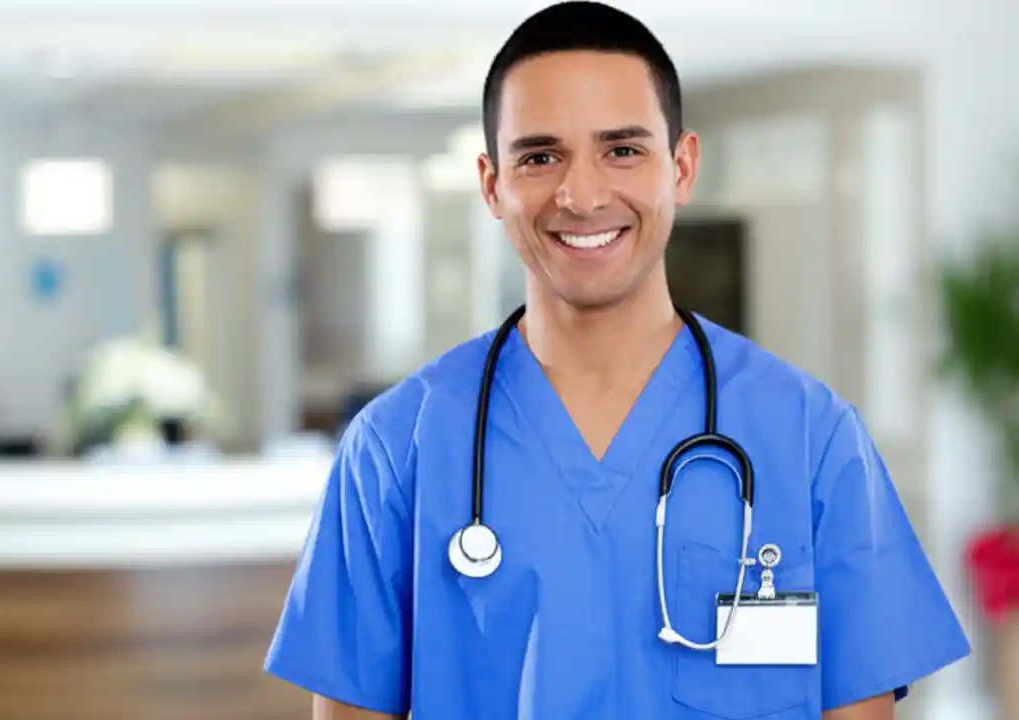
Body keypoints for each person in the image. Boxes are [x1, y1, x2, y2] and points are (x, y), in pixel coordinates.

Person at [263, 2, 972, 718]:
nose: (583, 195)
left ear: (683, 167)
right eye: (540, 156)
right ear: (491, 185)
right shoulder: (396, 451)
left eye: (622, 150)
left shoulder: (810, 437)